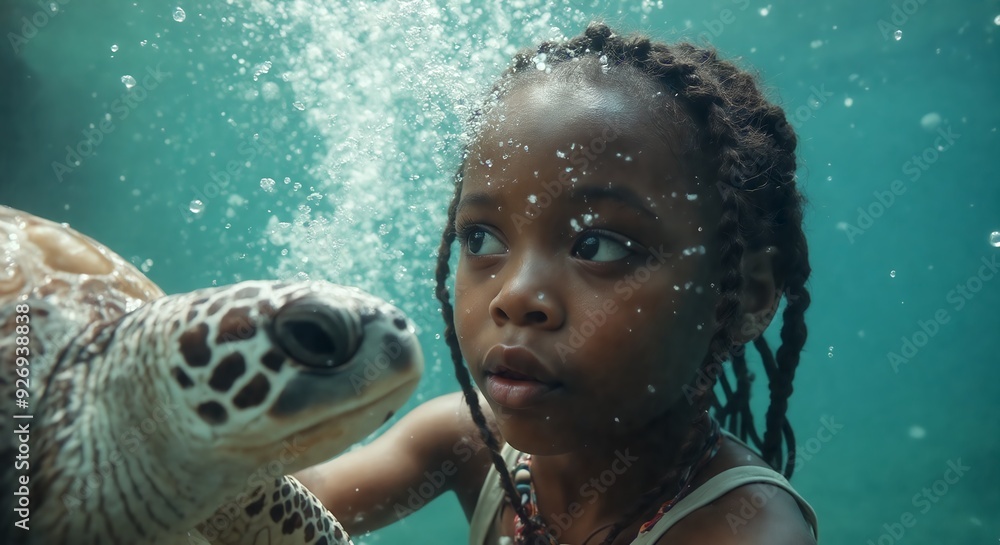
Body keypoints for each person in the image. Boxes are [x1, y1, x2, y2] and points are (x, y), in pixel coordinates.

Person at [295, 22, 818, 545]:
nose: (515, 296)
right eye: (481, 239)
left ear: (748, 295)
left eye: (598, 247)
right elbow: (266, 504)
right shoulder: (466, 442)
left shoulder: (748, 531)